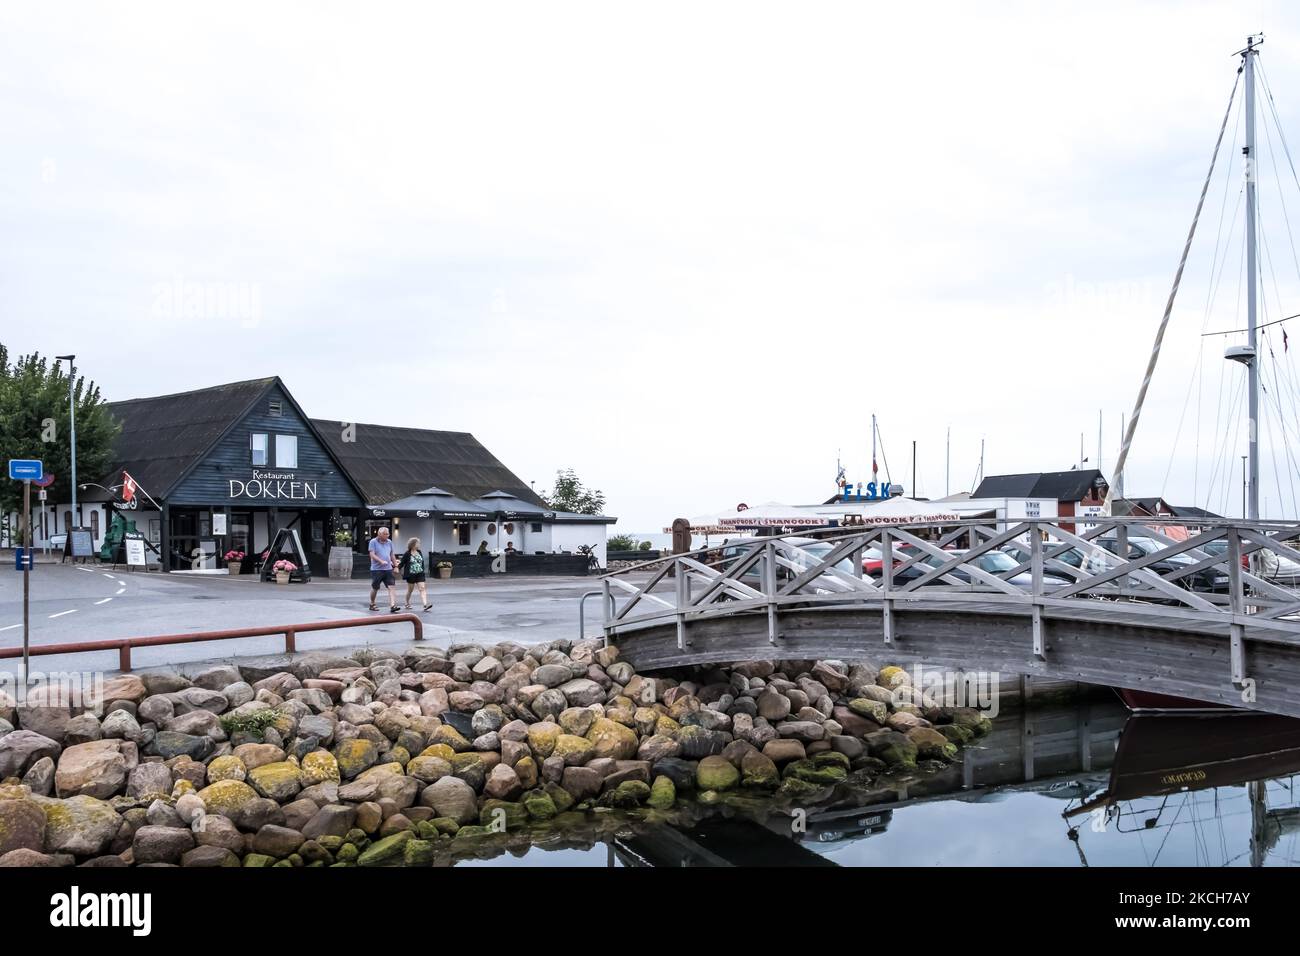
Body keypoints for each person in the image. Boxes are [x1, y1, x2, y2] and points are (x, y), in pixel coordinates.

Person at [368, 527, 398, 612]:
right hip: (376, 569)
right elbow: (372, 555)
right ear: (379, 534)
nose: (387, 535)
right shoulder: (373, 542)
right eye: (385, 534)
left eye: (388, 534)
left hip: (388, 568)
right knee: (375, 587)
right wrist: (381, 561)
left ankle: (393, 606)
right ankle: (372, 603)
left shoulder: (389, 542)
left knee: (391, 586)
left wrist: (395, 566)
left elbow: (392, 554)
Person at [399, 537, 432, 612]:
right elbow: (402, 563)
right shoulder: (407, 553)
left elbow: (421, 562)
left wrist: (423, 570)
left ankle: (425, 604)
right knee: (410, 590)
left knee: (422, 588)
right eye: (418, 543)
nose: (419, 544)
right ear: (413, 544)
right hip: (411, 575)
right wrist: (396, 568)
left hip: (420, 573)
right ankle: (407, 603)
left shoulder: (419, 552)